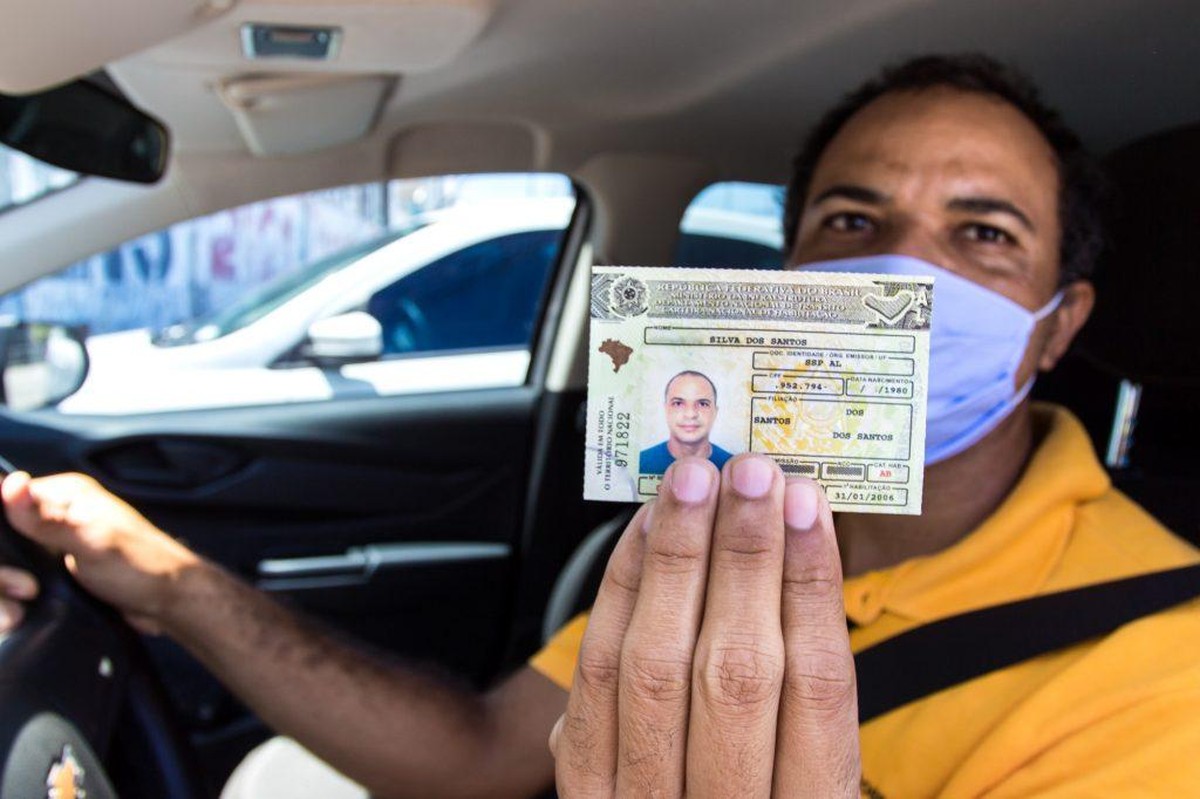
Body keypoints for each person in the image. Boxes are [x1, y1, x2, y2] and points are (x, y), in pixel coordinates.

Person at [2, 53, 1198, 797]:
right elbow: (481, 752)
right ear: (784, 270)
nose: (899, 272)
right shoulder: (717, 515)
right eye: (849, 220)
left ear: (1056, 322)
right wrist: (167, 584)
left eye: (983, 236)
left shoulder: (1162, 662)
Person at [638, 370, 734, 474]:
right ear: (666, 409)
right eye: (678, 403)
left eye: (702, 404)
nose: (690, 414)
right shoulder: (640, 463)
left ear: (715, 412)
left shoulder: (731, 468)